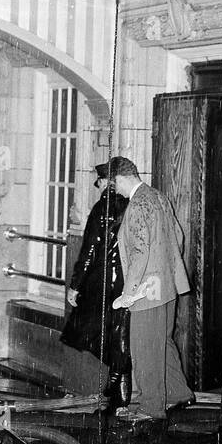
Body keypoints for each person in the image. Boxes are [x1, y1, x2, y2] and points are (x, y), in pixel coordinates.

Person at [106, 156, 195, 423]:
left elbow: (140, 251)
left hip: (146, 292)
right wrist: (165, 271)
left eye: (114, 185)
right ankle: (179, 392)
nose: (116, 191)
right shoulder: (158, 197)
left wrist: (128, 293)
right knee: (163, 343)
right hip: (167, 287)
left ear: (120, 178)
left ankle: (152, 407)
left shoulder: (137, 204)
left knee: (144, 348)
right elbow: (177, 236)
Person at [60, 165, 131, 408]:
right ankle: (119, 389)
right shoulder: (130, 205)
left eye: (98, 181)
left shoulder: (102, 208)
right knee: (117, 335)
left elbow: (90, 249)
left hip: (100, 281)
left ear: (107, 181)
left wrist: (75, 285)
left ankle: (115, 387)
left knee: (91, 333)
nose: (96, 186)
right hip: (124, 281)